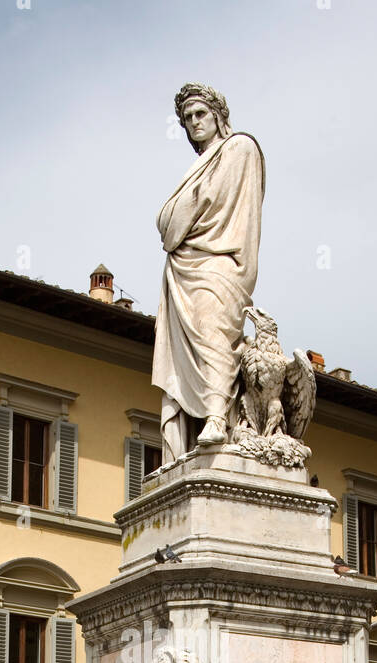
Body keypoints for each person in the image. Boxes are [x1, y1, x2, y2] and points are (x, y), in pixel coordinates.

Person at [152, 82, 265, 463]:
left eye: (200, 114)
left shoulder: (240, 148)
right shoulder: (198, 165)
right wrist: (173, 218)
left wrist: (175, 216)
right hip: (184, 270)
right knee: (192, 345)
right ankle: (190, 436)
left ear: (218, 116)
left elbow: (200, 206)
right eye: (187, 119)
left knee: (214, 329)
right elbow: (170, 226)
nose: (194, 123)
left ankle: (217, 417)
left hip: (221, 263)